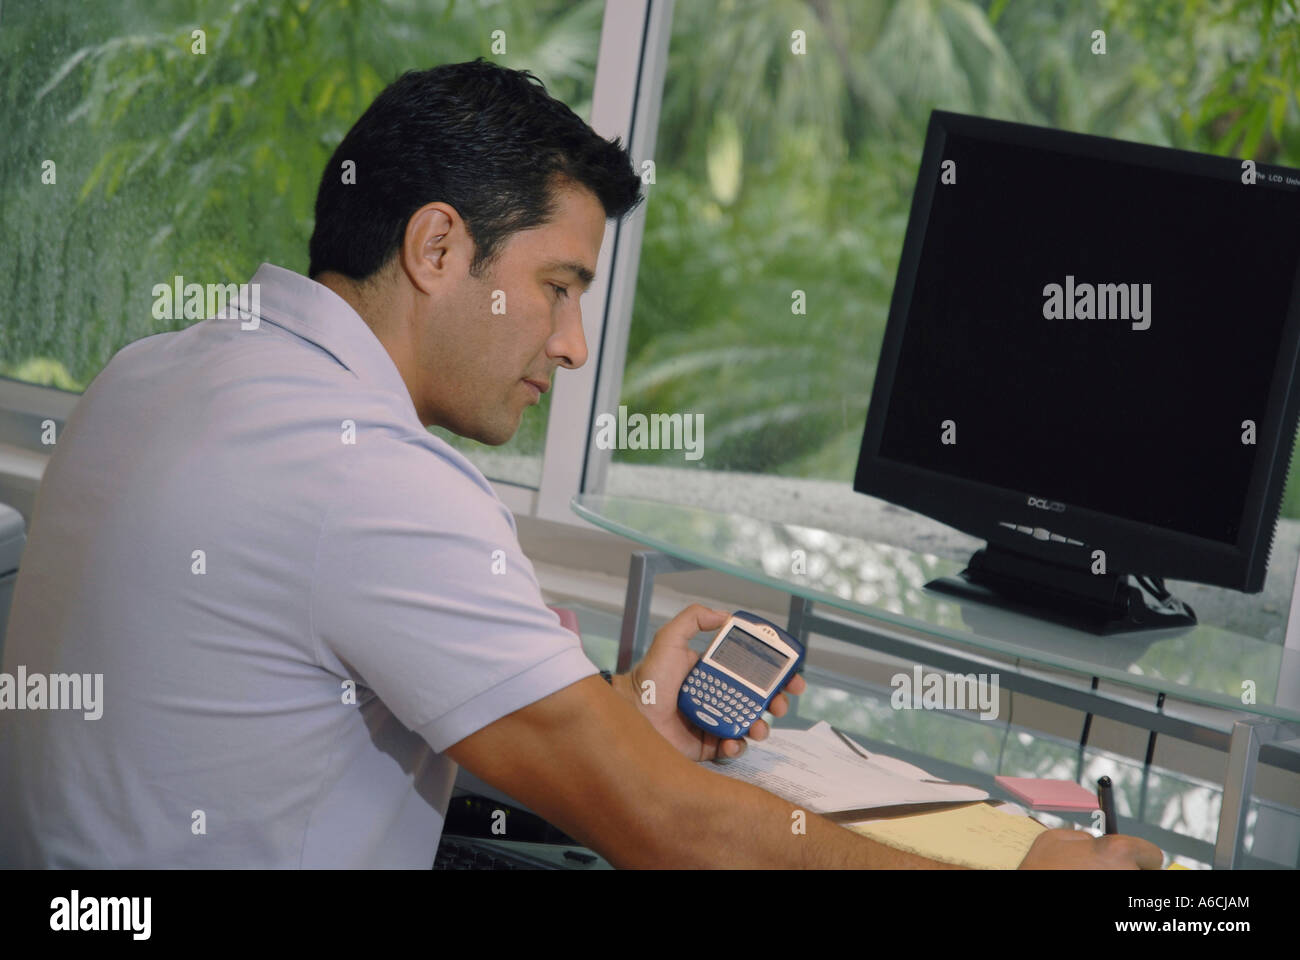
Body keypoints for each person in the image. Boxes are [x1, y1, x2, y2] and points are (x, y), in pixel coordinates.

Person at [0, 59, 1162, 870]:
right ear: (438, 246)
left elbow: (346, 683)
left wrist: (625, 712)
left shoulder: (159, 370)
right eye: (559, 288)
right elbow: (673, 834)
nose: (567, 344)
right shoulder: (375, 480)